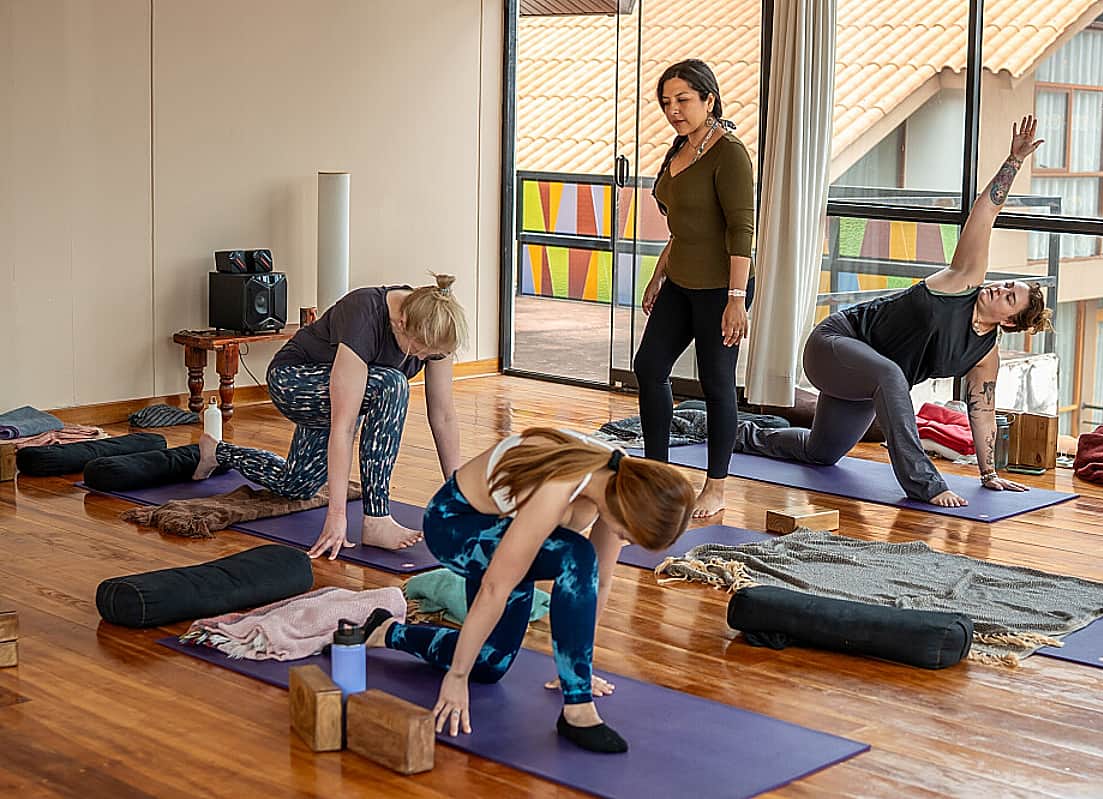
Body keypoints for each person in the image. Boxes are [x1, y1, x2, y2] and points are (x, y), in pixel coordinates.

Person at [736, 117, 1054, 507]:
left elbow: (982, 409)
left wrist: (989, 475)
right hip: (835, 344)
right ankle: (924, 483)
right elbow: (984, 215)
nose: (999, 288)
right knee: (891, 374)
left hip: (867, 383)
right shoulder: (963, 279)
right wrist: (1013, 161)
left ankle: (730, 431)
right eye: (1007, 285)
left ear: (1008, 321)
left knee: (821, 453)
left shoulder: (984, 356)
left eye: (1009, 297)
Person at [354, 427, 695, 753]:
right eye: (627, 535)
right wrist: (456, 677)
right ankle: (577, 712)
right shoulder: (559, 486)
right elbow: (494, 587)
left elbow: (600, 582)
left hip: (506, 532)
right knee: (575, 553)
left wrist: (578, 667)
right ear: (628, 507)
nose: (623, 540)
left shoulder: (618, 481)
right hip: (454, 525)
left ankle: (387, 631)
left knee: (489, 665)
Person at [193, 274, 469, 555]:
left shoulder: (436, 325)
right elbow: (344, 427)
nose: (422, 360)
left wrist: (459, 497)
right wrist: (337, 516)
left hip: (347, 391)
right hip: (293, 381)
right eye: (421, 352)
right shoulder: (364, 313)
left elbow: (443, 415)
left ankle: (216, 452)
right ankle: (376, 519)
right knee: (392, 384)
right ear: (401, 323)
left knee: (297, 484)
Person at [634, 58, 755, 520]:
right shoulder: (679, 148)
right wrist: (658, 274)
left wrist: (735, 300)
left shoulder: (730, 155)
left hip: (721, 290)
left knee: (717, 384)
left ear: (709, 98)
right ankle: (659, 474)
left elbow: (741, 229)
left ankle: (717, 486)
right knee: (649, 367)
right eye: (666, 102)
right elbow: (681, 227)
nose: (674, 110)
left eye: (683, 99)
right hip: (680, 281)